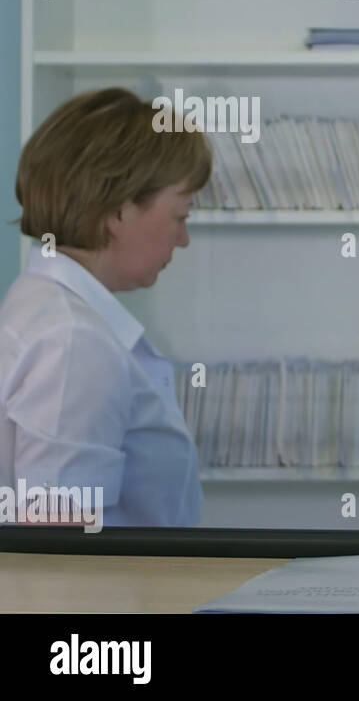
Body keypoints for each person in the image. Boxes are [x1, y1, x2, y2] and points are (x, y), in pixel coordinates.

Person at [1, 87, 210, 527]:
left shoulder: (42, 307)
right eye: (181, 215)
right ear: (118, 212)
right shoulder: (73, 342)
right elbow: (59, 560)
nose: (183, 238)